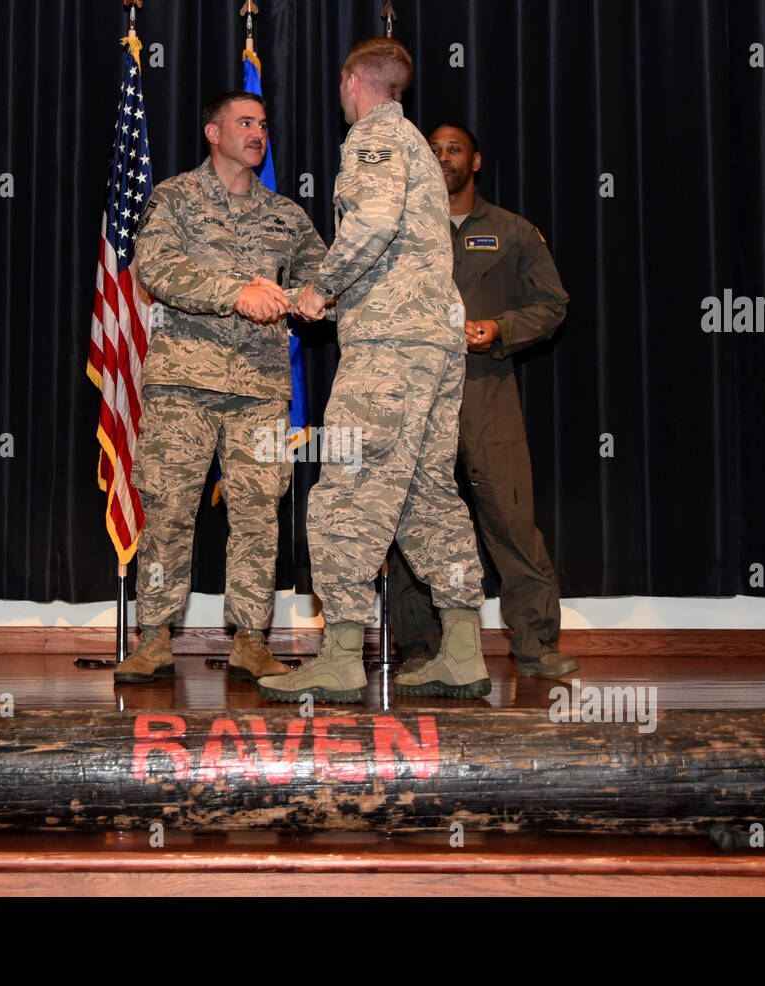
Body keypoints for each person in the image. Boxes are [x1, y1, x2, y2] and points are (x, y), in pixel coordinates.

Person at [255, 38, 490, 703]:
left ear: (352, 81)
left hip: (392, 346)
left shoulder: (372, 137)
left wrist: (321, 290)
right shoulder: (416, 142)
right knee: (426, 495)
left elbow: (376, 224)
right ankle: (465, 650)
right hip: (432, 342)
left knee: (347, 490)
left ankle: (341, 656)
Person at [116, 91, 328, 684]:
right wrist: (236, 291)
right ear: (213, 133)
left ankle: (251, 639)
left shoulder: (286, 215)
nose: (258, 133)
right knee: (168, 512)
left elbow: (325, 279)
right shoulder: (175, 198)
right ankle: (154, 637)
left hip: (260, 389)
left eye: (263, 124)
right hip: (183, 384)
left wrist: (317, 299)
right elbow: (154, 268)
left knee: (259, 515)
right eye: (245, 123)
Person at [385, 123, 576, 680]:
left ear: (476, 160)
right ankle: (419, 647)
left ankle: (536, 645)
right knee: (411, 523)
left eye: (454, 149)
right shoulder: (399, 231)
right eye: (434, 150)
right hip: (414, 396)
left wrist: (502, 328)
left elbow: (553, 303)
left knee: (512, 522)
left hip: (486, 391)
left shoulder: (513, 232)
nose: (443, 157)